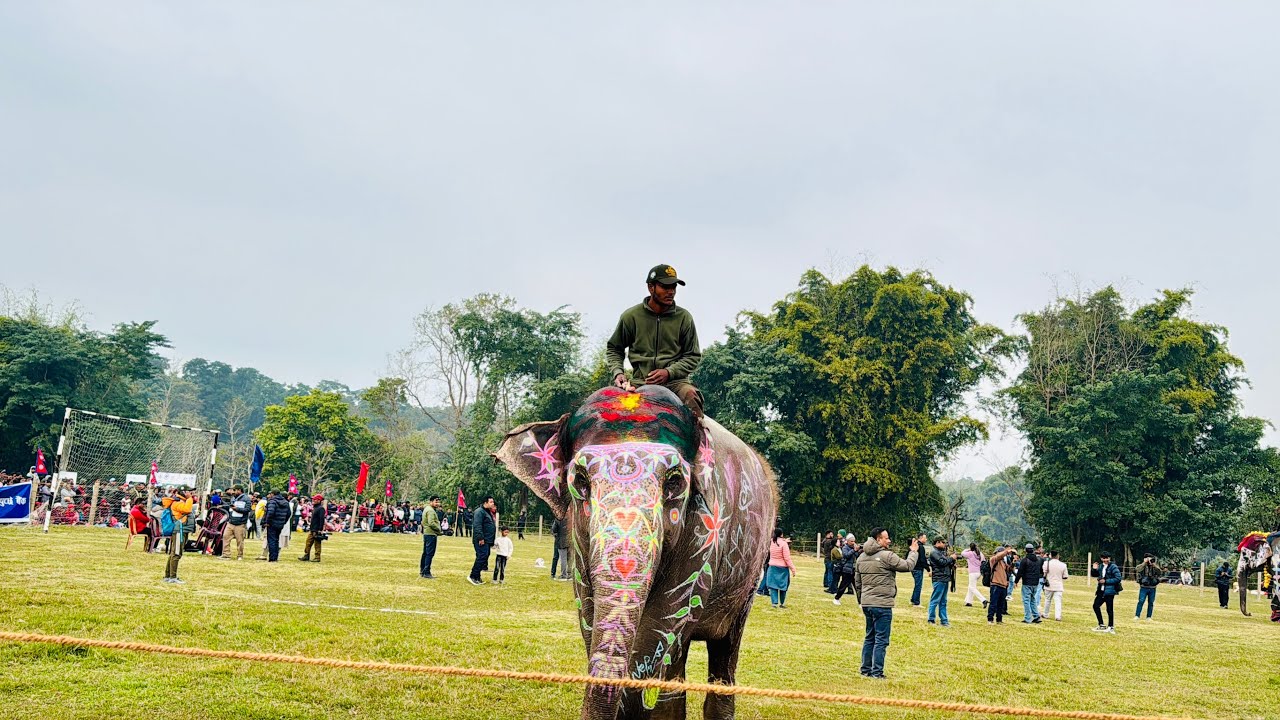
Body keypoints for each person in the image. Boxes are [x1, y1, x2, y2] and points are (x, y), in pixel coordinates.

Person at [605, 264, 704, 420]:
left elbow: (693, 356)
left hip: (675, 384)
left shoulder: (684, 317)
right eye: (665, 287)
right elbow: (614, 349)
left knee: (691, 395)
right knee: (608, 409)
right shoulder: (631, 316)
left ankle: (702, 441)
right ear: (651, 287)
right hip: (640, 383)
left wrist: (669, 372)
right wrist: (618, 372)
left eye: (673, 287)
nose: (671, 291)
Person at [853, 527, 918, 679]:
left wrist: (862, 600)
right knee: (881, 639)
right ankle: (877, 672)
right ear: (878, 539)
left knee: (870, 637)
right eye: (886, 538)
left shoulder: (861, 557)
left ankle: (865, 669)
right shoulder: (887, 555)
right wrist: (913, 552)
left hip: (867, 603)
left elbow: (857, 582)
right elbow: (907, 566)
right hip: (882, 604)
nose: (889, 540)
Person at [161, 488, 195, 584]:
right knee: (176, 553)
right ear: (184, 492)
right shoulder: (178, 503)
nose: (191, 494)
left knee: (174, 553)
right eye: (189, 492)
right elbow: (187, 510)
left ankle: (168, 576)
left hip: (183, 530)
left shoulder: (182, 502)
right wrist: (189, 499)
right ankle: (172, 577)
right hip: (179, 530)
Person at [927, 537, 957, 626]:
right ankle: (931, 619)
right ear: (938, 543)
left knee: (943, 601)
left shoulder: (941, 553)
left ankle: (944, 620)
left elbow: (946, 563)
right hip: (939, 579)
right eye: (943, 543)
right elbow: (942, 562)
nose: (944, 545)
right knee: (935, 600)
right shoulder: (934, 553)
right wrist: (951, 558)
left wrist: (952, 563)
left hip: (945, 578)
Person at [469, 496, 497, 585]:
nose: (493, 504)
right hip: (481, 540)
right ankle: (473, 576)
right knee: (482, 556)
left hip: (487, 540)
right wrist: (480, 538)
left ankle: (477, 576)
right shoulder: (479, 512)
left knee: (485, 556)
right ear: (485, 503)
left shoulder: (487, 512)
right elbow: (477, 526)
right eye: (491, 502)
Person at [1092, 552, 1123, 633]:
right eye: (1104, 558)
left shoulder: (1113, 567)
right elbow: (1095, 574)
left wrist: (1106, 581)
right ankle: (1101, 624)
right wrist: (1094, 568)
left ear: (1109, 558)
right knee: (1095, 606)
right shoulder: (1101, 566)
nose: (1106, 560)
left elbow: (1118, 578)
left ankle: (1111, 626)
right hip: (1101, 590)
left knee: (1109, 609)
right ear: (1101, 558)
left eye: (1107, 558)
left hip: (1110, 591)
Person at [766, 528, 797, 608]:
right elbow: (787, 558)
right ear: (782, 534)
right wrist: (793, 568)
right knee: (783, 586)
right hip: (782, 568)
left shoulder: (771, 542)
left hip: (772, 566)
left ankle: (774, 603)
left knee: (773, 586)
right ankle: (782, 603)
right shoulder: (784, 544)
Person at [221, 486, 251, 560]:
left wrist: (236, 509)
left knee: (240, 541)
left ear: (239, 490)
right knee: (225, 537)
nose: (233, 492)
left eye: (234, 490)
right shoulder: (233, 498)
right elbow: (230, 508)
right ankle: (226, 554)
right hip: (231, 522)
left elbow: (247, 509)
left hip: (240, 523)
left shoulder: (246, 499)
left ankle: (240, 555)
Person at [1018, 543, 1045, 624]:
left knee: (1026, 600)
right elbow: (1041, 571)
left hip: (1027, 582)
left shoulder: (1025, 560)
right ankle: (1036, 616)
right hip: (1035, 583)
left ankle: (1027, 618)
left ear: (1025, 551)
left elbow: (1020, 572)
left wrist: (1016, 581)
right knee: (1032, 599)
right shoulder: (1038, 560)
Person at [987, 545, 1013, 624]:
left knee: (1001, 605)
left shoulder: (1003, 562)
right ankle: (990, 619)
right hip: (995, 584)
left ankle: (999, 620)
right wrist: (1006, 551)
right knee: (993, 603)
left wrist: (1013, 563)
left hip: (1003, 585)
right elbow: (999, 556)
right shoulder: (993, 559)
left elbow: (1008, 570)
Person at [261, 490, 290, 562]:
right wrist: (283, 522)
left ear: (272, 494)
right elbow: (288, 513)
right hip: (280, 524)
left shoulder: (272, 501)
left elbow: (270, 512)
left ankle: (272, 558)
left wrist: (267, 522)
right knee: (276, 540)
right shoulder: (286, 502)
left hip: (272, 523)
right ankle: (275, 557)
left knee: (271, 541)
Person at [832, 534, 860, 605]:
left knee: (858, 587)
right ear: (847, 541)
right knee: (843, 586)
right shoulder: (845, 548)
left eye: (854, 541)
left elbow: (857, 556)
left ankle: (860, 603)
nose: (853, 542)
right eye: (851, 541)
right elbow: (846, 555)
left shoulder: (853, 547)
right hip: (846, 570)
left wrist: (857, 550)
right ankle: (836, 598)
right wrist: (854, 550)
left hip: (853, 570)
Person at [1042, 550, 1070, 621]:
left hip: (1049, 584)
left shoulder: (1046, 563)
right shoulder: (1063, 565)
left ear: (1050, 555)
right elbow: (1065, 576)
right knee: (1058, 601)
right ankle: (1058, 616)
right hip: (1058, 585)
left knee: (1047, 600)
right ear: (1058, 556)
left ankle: (1045, 614)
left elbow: (1044, 574)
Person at [419, 495, 443, 579]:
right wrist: (439, 530)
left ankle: (422, 571)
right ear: (431, 502)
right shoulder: (431, 511)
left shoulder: (427, 509)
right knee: (429, 554)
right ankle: (426, 572)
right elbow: (431, 523)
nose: (437, 503)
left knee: (425, 553)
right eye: (436, 502)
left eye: (438, 502)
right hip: (431, 534)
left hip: (427, 533)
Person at [298, 495, 326, 562]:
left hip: (316, 529)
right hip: (312, 528)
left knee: (317, 543)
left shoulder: (321, 508)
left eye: (315, 499)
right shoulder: (315, 508)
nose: (313, 501)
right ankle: (306, 555)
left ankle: (317, 557)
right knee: (308, 542)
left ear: (319, 500)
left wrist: (320, 529)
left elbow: (321, 519)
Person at [1136, 553, 1162, 621]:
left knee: (1151, 602)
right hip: (1143, 586)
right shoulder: (1143, 565)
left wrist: (1153, 564)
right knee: (1141, 601)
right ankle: (1137, 615)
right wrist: (1144, 563)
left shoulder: (1155, 566)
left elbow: (1159, 572)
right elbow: (1138, 569)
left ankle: (1149, 617)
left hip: (1152, 587)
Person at [961, 543, 987, 608]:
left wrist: (968, 549)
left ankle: (983, 600)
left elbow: (962, 553)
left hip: (972, 572)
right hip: (979, 572)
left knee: (972, 588)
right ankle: (969, 602)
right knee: (970, 586)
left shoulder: (970, 553)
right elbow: (984, 561)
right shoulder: (980, 554)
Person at [909, 532, 929, 606]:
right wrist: (928, 569)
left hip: (913, 567)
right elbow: (922, 559)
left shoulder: (914, 545)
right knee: (918, 585)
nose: (926, 539)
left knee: (917, 584)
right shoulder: (920, 547)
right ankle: (916, 602)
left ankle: (913, 599)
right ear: (921, 538)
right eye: (925, 538)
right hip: (918, 568)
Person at [553, 515, 571, 581]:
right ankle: (570, 574)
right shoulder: (571, 518)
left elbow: (554, 530)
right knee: (569, 559)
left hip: (561, 542)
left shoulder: (558, 519)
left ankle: (564, 575)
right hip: (570, 540)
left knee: (563, 559)